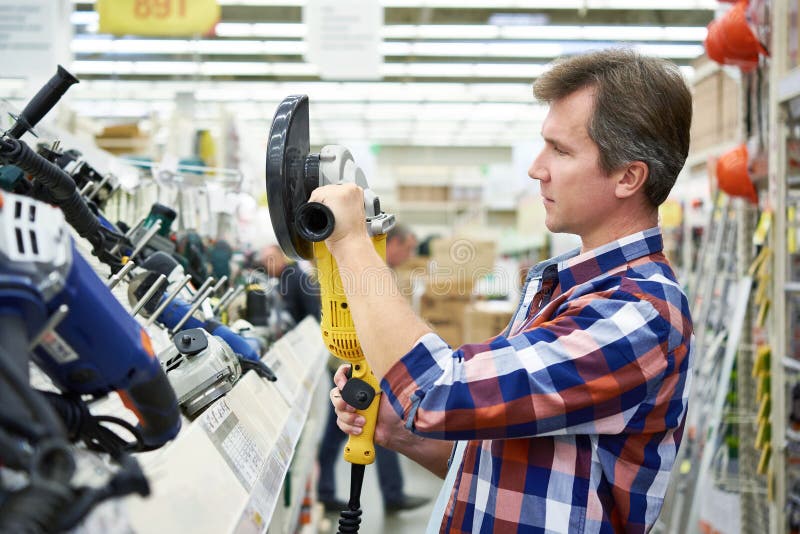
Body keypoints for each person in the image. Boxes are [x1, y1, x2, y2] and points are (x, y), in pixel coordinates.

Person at [315, 48, 694, 533]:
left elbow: (436, 392)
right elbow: (512, 469)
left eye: (561, 150)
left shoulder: (636, 313)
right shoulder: (558, 285)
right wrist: (400, 432)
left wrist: (350, 243)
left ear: (628, 176)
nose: (537, 168)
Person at [316, 223, 430, 514]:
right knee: (344, 430)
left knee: (373, 428)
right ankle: (327, 491)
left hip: (370, 364)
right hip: (351, 366)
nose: (409, 254)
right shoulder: (367, 270)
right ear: (393, 243)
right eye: (408, 247)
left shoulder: (379, 271)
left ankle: (390, 494)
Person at [257, 244, 320, 324]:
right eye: (265, 262)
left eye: (271, 259)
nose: (268, 265)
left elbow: (313, 311)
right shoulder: (282, 279)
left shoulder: (296, 277)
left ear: (282, 257)